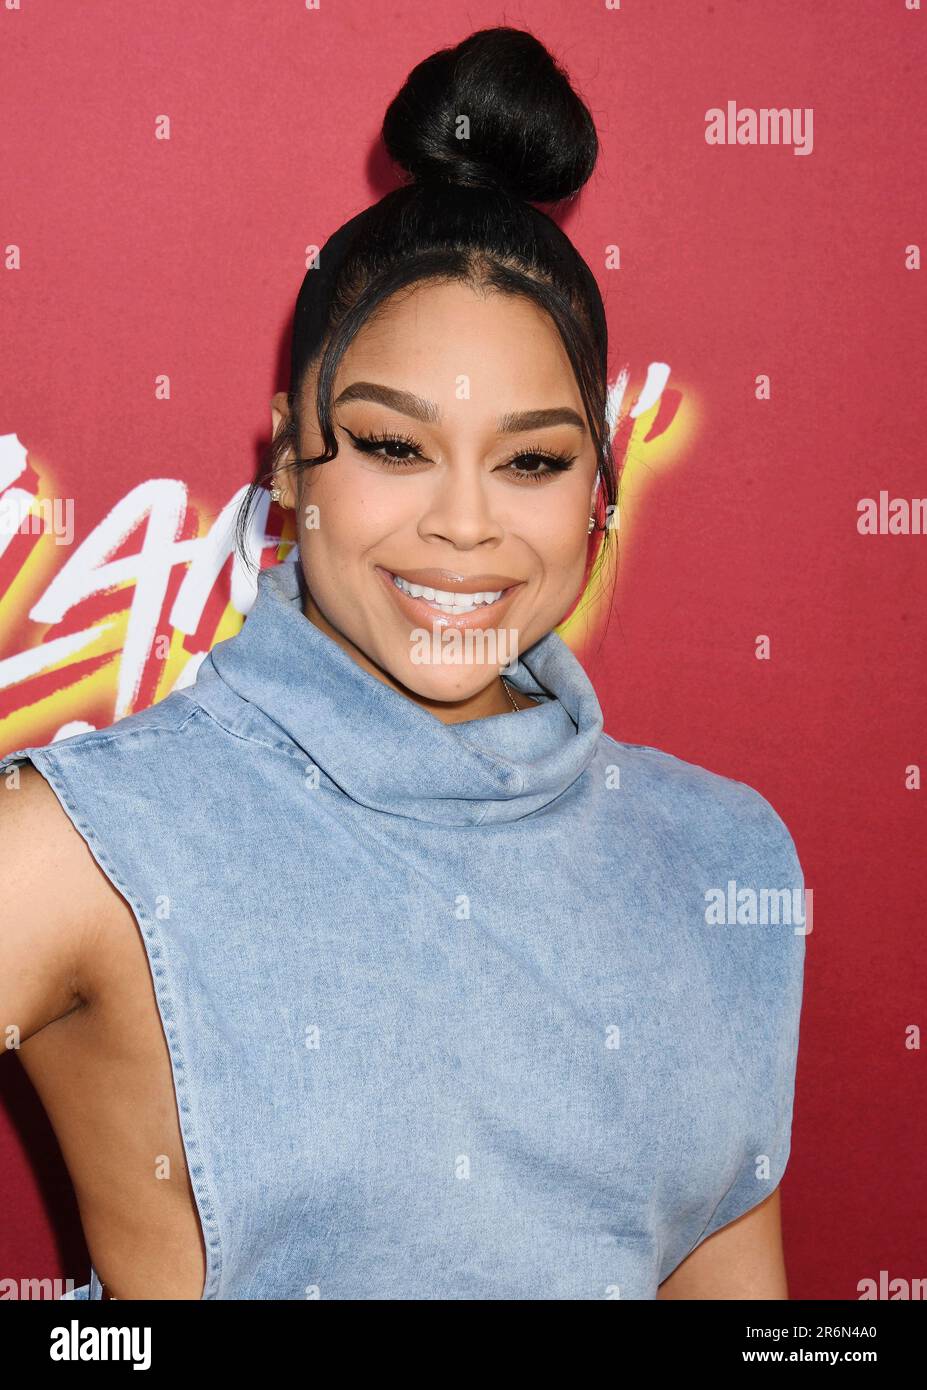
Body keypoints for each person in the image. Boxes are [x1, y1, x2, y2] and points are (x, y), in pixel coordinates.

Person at [0, 26, 805, 1301]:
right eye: (392, 446)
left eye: (533, 460)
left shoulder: (723, 856)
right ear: (285, 457)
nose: (467, 523)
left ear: (599, 482)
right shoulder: (94, 843)